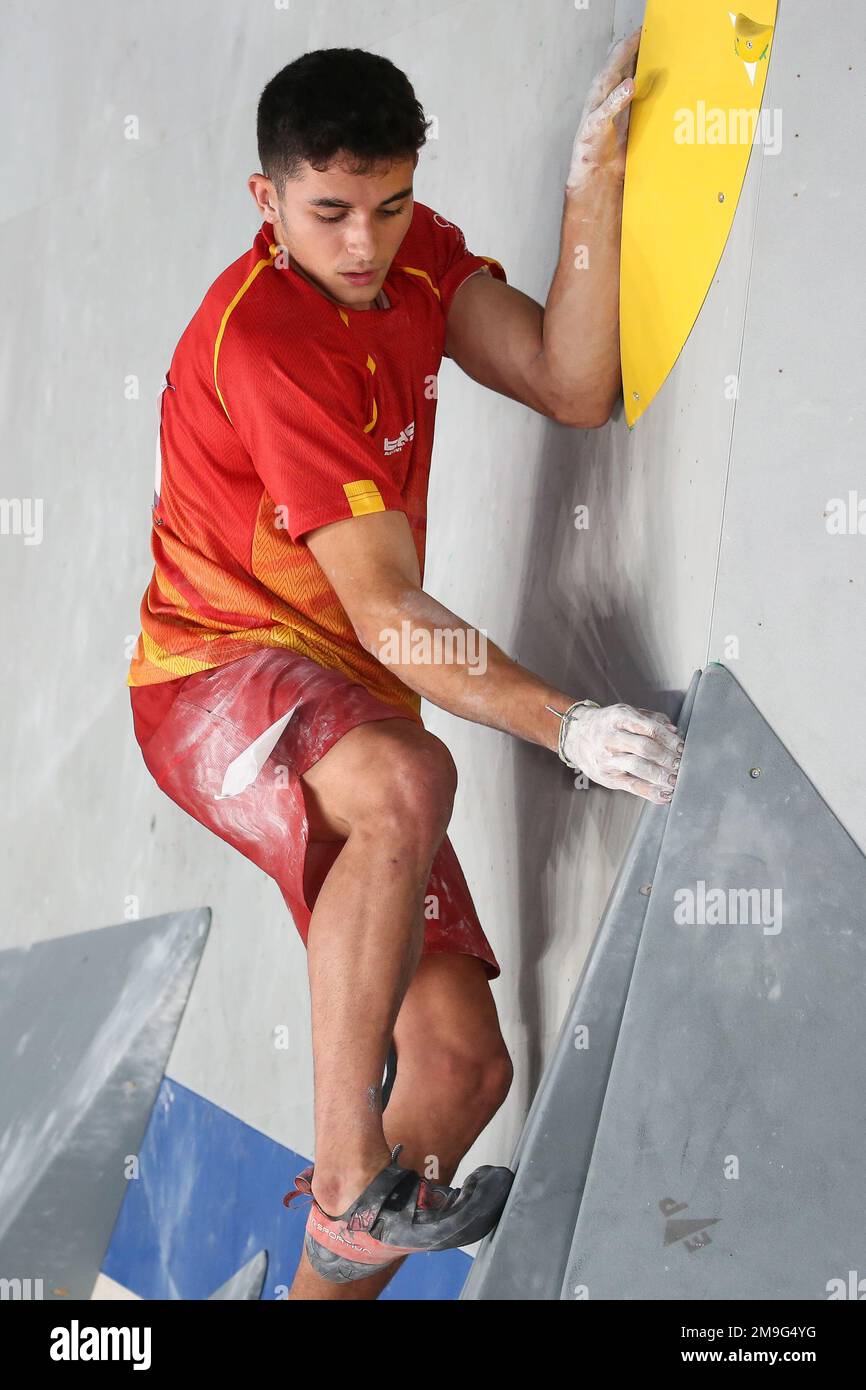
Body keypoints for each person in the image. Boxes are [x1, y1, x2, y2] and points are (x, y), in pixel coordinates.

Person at [127, 37, 682, 1299]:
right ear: (264, 201)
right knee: (398, 776)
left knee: (458, 1071)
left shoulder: (418, 251)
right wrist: (567, 723)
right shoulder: (266, 343)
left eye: (386, 204)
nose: (364, 244)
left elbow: (570, 380)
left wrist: (587, 190)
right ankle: (343, 1170)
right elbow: (383, 611)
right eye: (327, 214)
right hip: (217, 677)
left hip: (346, 693)